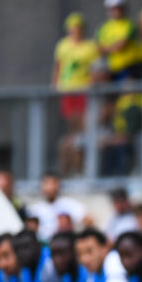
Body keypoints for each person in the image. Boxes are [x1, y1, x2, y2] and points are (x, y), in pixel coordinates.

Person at [53, 12, 100, 176]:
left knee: (81, 129)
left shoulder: (90, 47)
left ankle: (80, 166)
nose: (75, 31)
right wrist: (56, 85)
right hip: (68, 91)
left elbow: (95, 70)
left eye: (77, 28)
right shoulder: (63, 46)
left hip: (83, 92)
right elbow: (58, 67)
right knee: (71, 130)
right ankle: (72, 167)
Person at [26, 172, 91, 241]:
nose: (50, 187)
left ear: (59, 185)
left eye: (53, 183)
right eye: (46, 183)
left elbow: (89, 220)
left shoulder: (69, 205)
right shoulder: (34, 209)